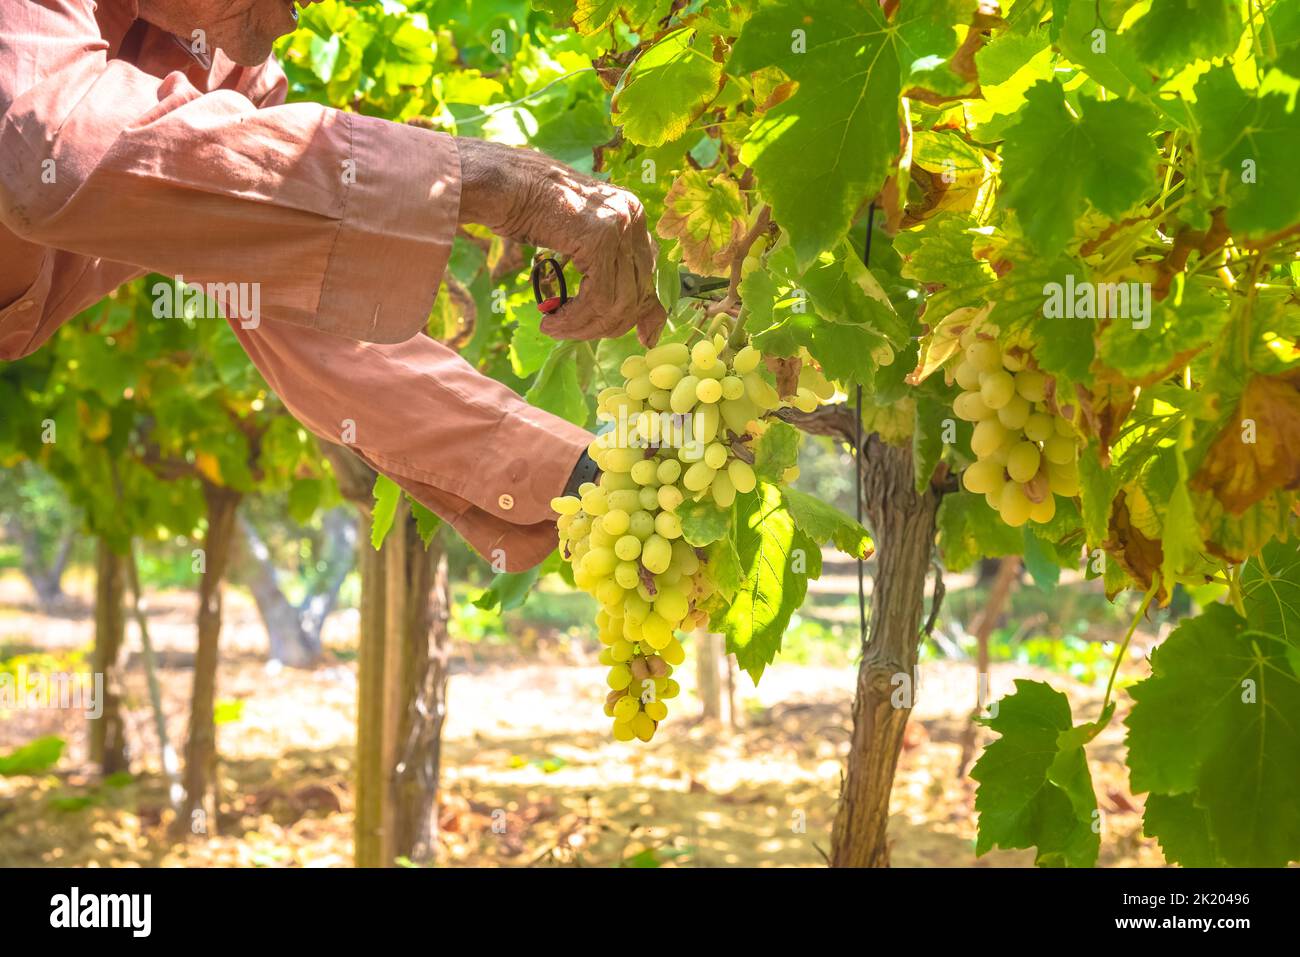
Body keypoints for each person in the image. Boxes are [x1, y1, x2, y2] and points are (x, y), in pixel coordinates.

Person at [0, 0, 665, 571]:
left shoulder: (234, 75)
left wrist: (578, 472)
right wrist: (490, 185)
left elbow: (322, 337)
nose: (298, 17)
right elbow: (46, 150)